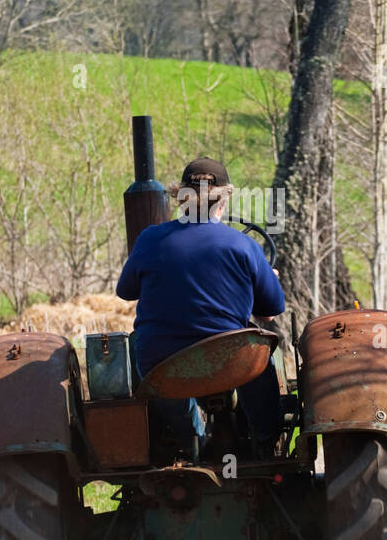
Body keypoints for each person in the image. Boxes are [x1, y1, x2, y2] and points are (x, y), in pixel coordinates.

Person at [115, 156, 286, 456]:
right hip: (231, 360)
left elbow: (126, 292)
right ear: (223, 201)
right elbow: (270, 312)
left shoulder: (150, 240)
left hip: (163, 365)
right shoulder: (244, 246)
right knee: (261, 354)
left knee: (146, 356)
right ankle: (264, 440)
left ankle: (194, 442)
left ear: (180, 200)